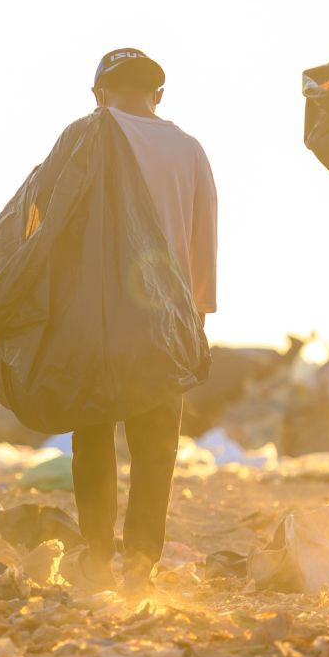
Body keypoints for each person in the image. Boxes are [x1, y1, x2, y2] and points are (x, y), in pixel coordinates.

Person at [61, 48, 218, 594]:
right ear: (158, 95)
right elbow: (203, 241)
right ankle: (141, 566)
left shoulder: (86, 133)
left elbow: (48, 223)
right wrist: (197, 321)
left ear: (99, 93)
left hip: (95, 317)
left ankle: (97, 558)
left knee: (94, 438)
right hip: (166, 317)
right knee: (156, 450)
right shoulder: (190, 150)